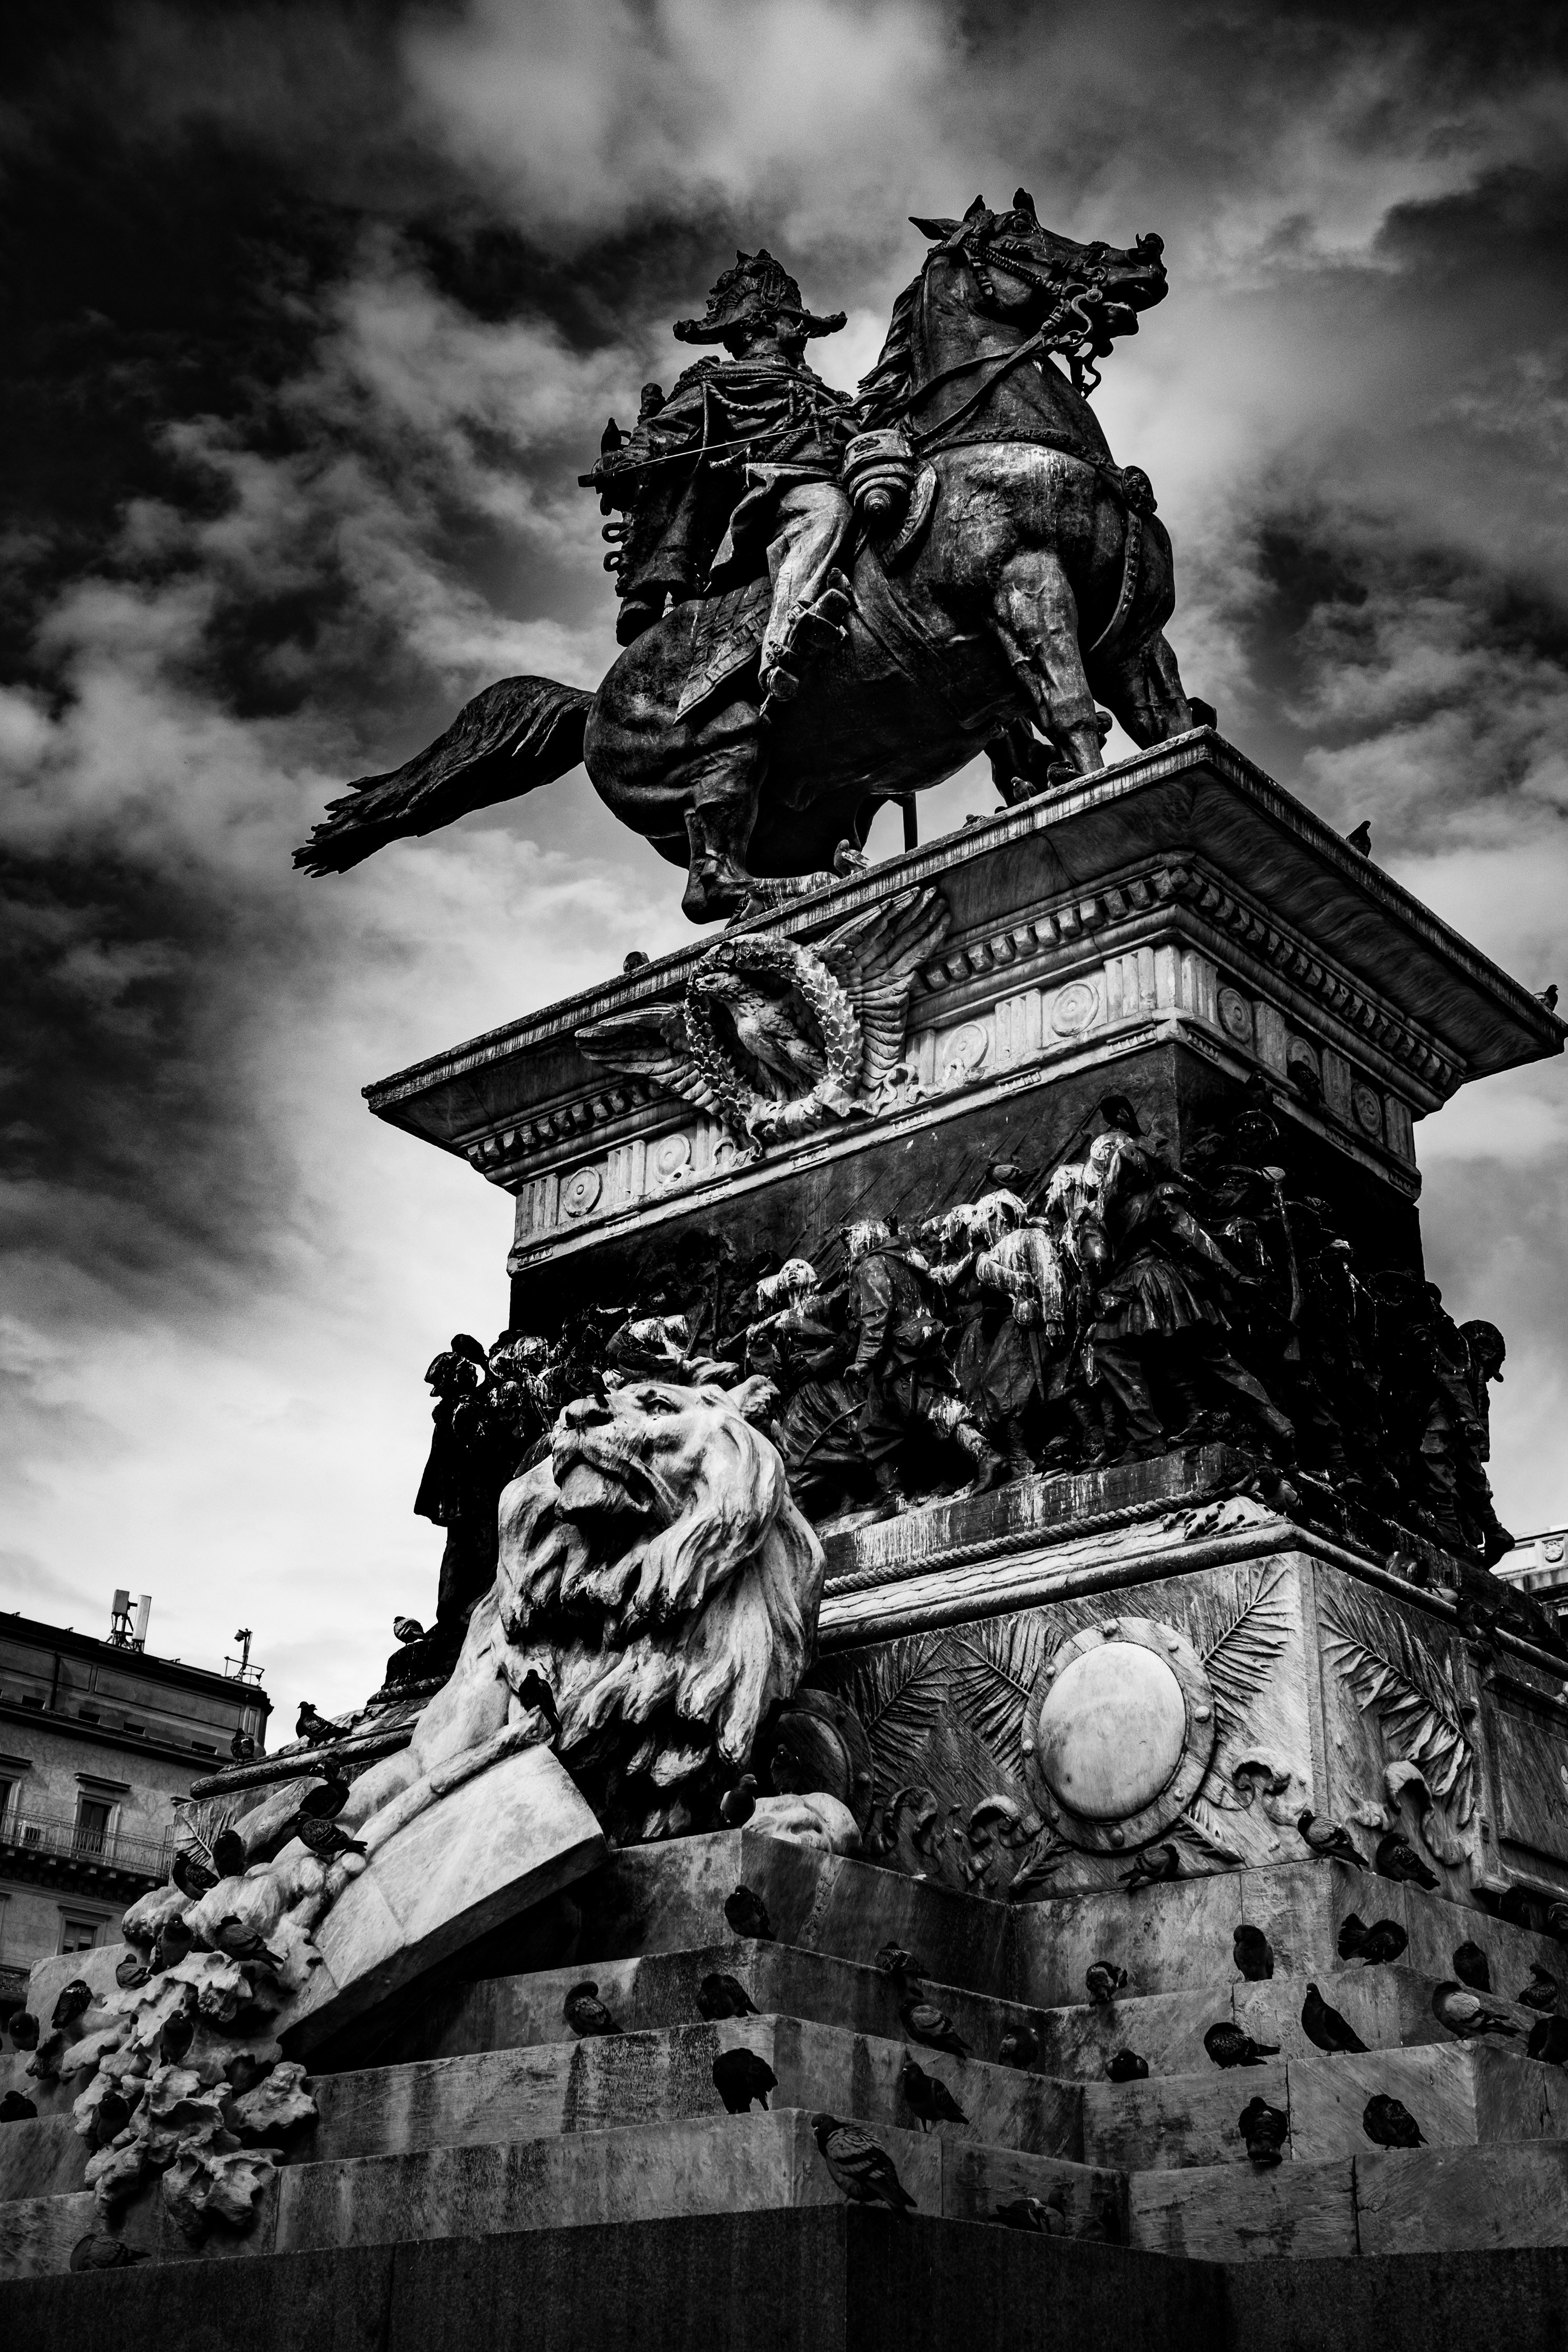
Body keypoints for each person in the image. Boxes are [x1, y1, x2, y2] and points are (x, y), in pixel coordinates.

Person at [584, 250, 854, 701]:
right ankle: (783, 650)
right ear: (763, 324)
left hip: (839, 480)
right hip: (768, 501)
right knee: (826, 511)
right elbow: (659, 433)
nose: (803, 327)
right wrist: (627, 458)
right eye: (793, 319)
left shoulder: (828, 396)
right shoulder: (718, 385)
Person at [843, 1217, 1002, 1515]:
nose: (847, 1250)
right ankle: (895, 1497)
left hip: (898, 1360)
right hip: (921, 1349)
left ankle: (986, 1454)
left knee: (934, 1411)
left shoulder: (872, 1265)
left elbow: (878, 1314)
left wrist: (864, 1360)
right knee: (874, 1428)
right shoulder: (910, 1264)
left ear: (866, 1240)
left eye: (851, 1241)